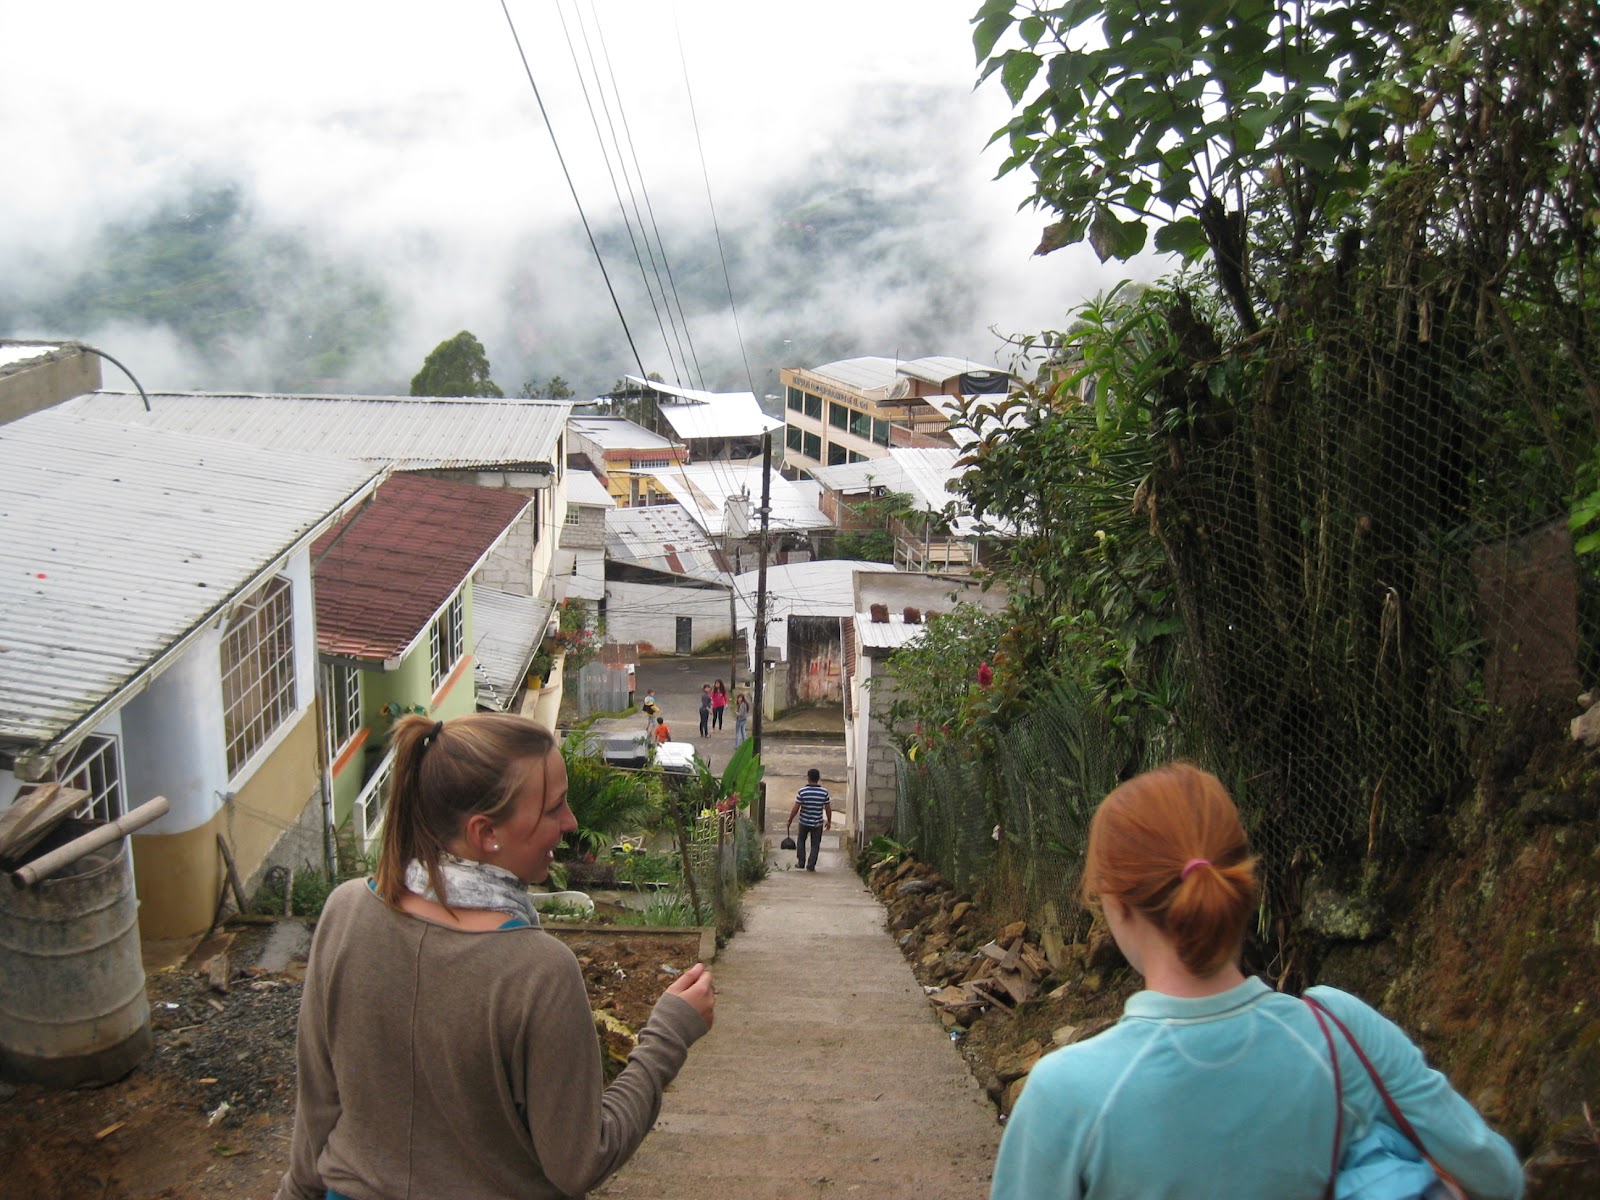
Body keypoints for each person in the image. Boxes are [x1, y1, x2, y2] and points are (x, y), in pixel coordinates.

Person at [990, 763, 1523, 1200]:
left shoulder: (1066, 1093)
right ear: (1239, 879)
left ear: (1117, 904)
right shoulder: (1341, 1036)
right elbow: (1498, 1176)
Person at [275, 712, 715, 1200]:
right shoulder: (538, 971)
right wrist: (665, 1038)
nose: (571, 823)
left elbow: (316, 1103)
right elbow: (580, 1162)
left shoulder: (346, 911)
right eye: (553, 809)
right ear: (486, 833)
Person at [786, 768, 832, 871]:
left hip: (804, 822)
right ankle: (811, 865)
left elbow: (796, 808)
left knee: (801, 841)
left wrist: (790, 819)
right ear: (818, 778)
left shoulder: (802, 791)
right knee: (815, 844)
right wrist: (829, 821)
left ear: (808, 778)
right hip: (817, 823)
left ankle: (801, 862)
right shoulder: (824, 792)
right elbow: (828, 808)